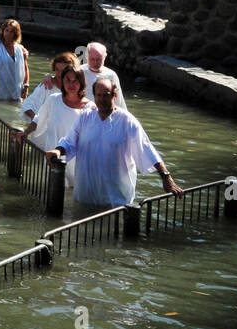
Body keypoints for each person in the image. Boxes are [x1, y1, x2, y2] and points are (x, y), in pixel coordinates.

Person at [48, 78, 182, 207]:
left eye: (106, 95)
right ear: (94, 97)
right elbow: (70, 141)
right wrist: (58, 150)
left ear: (115, 95)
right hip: (86, 194)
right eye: (98, 95)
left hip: (116, 198)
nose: (102, 100)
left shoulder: (127, 121)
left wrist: (165, 176)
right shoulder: (86, 117)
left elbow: (146, 148)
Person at [19, 66, 93, 187]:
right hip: (53, 158)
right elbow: (38, 118)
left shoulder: (90, 107)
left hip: (78, 163)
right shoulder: (53, 100)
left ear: (82, 83)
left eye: (75, 81)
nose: (71, 84)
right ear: (62, 81)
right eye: (68, 80)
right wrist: (26, 132)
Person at [22, 51, 81, 122]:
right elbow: (27, 105)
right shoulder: (46, 85)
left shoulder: (77, 88)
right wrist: (36, 120)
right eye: (57, 70)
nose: (59, 74)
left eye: (63, 70)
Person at [0, 20, 29, 102]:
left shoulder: (20, 48)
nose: (8, 34)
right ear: (3, 31)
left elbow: (25, 68)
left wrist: (26, 85)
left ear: (16, 33)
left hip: (16, 89)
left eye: (11, 31)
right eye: (6, 30)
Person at [83, 42, 128, 112]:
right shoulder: (79, 73)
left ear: (105, 57)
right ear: (86, 56)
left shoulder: (111, 75)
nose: (95, 63)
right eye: (92, 59)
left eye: (98, 59)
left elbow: (119, 101)